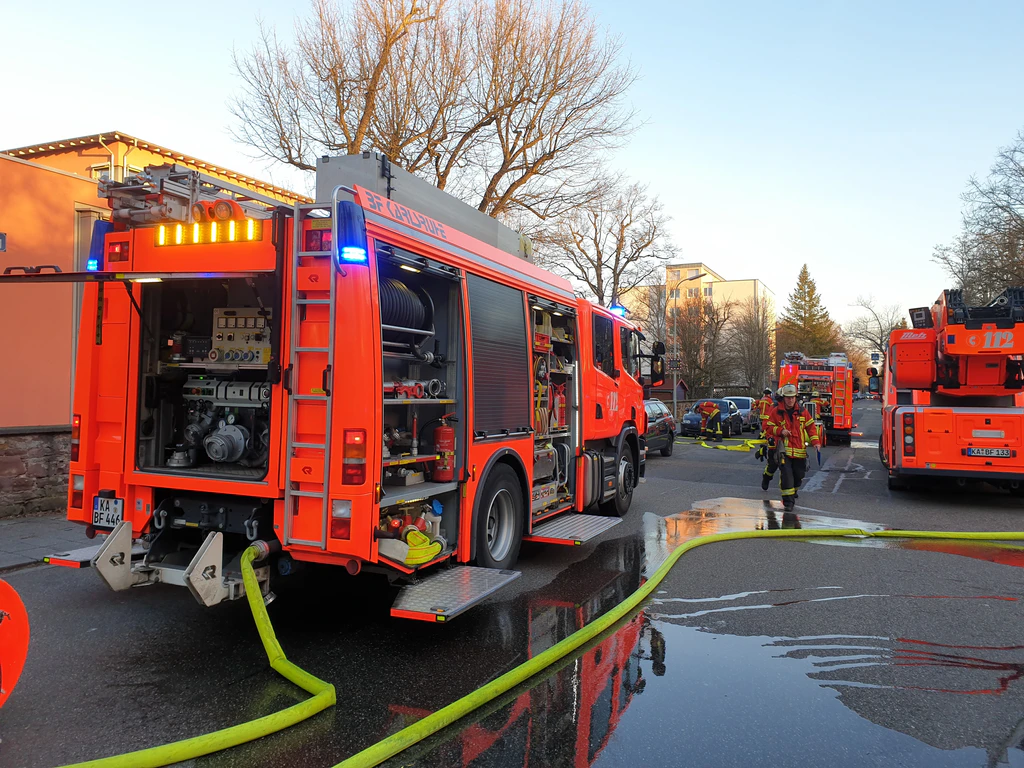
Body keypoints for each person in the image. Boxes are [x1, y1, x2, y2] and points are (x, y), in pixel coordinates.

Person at [763, 383, 821, 511]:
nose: (790, 400)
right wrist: (780, 431)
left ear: (796, 397)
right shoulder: (776, 411)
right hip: (784, 451)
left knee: (798, 475)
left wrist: (816, 442)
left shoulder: (802, 412)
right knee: (786, 475)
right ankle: (788, 502)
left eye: (792, 397)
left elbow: (811, 427)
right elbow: (767, 427)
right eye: (788, 397)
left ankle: (792, 492)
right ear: (783, 398)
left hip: (800, 451)